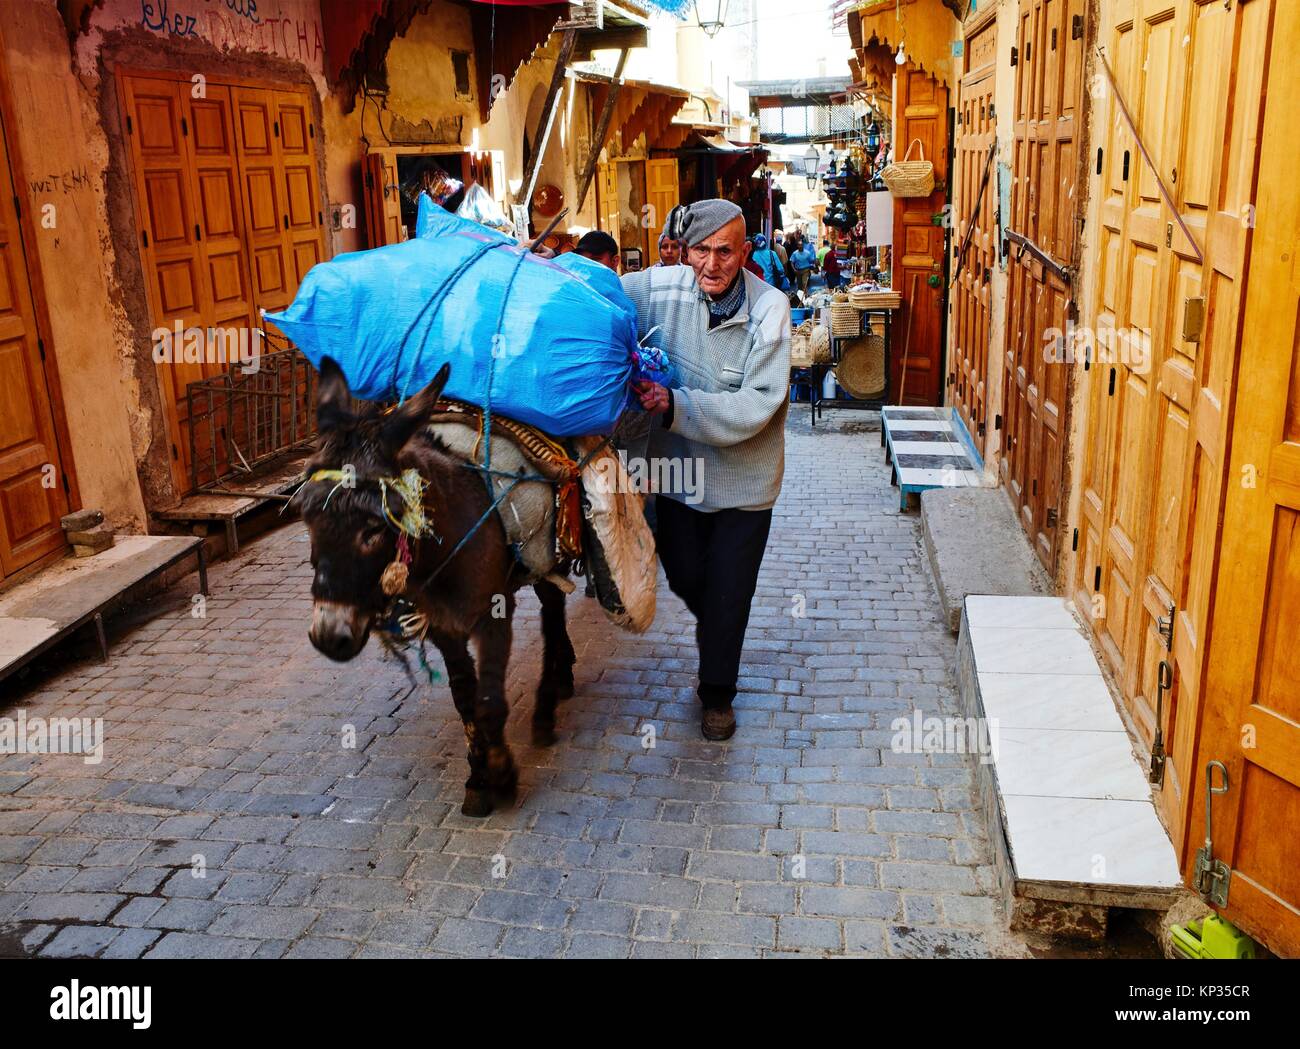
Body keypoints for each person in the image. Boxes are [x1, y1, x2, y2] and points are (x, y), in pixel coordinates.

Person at [621, 199, 791, 741]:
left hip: (745, 483)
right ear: (685, 252)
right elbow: (604, 293)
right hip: (679, 479)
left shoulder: (771, 310)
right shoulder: (664, 287)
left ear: (745, 252)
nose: (712, 264)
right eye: (701, 251)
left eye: (725, 251)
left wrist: (674, 405)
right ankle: (714, 626)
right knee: (687, 575)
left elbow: (758, 405)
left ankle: (717, 694)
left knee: (728, 591)